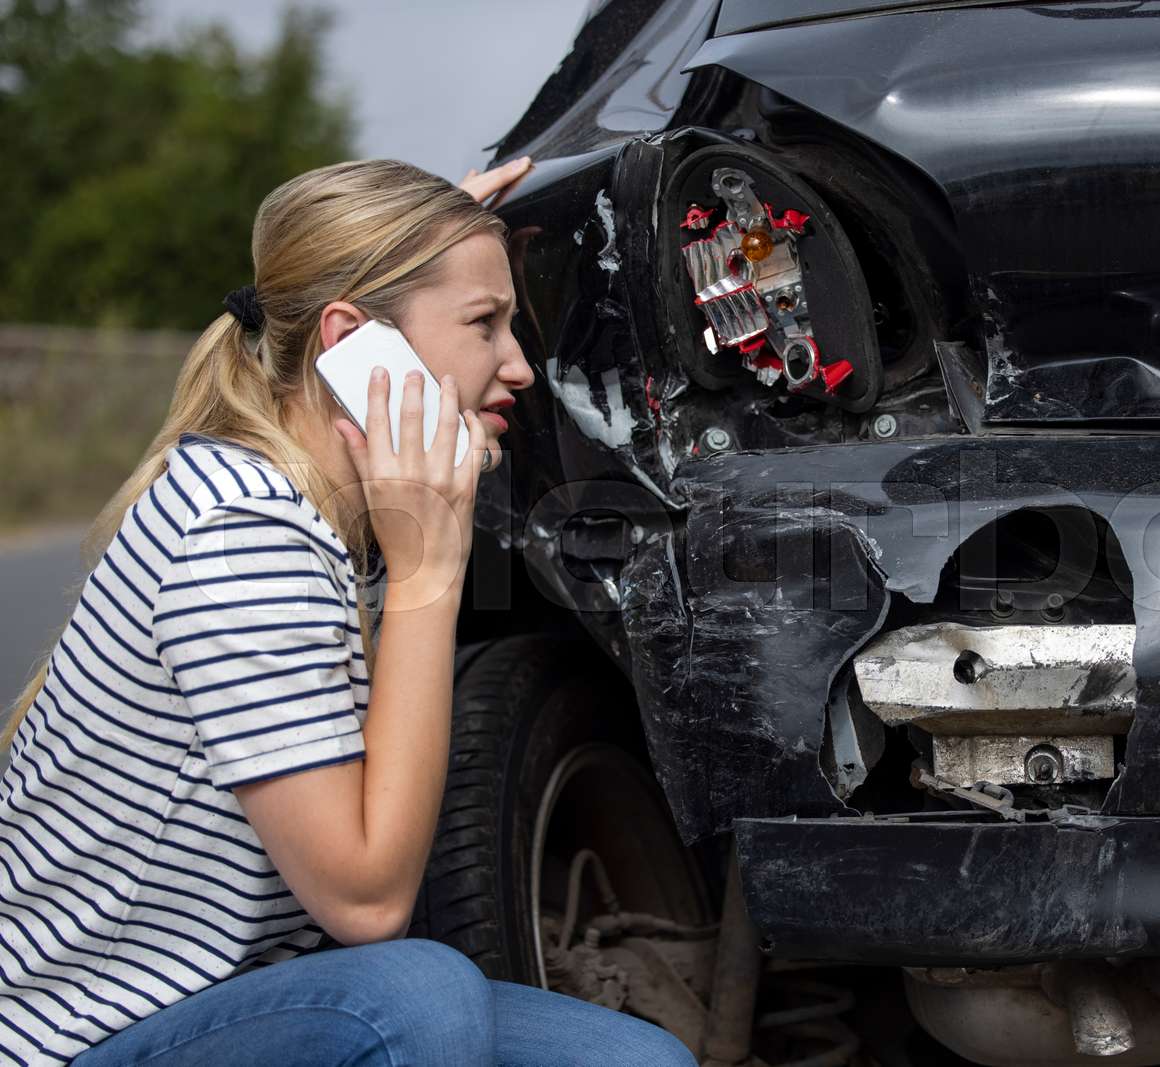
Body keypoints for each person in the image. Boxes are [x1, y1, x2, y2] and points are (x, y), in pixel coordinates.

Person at [0, 157, 699, 1067]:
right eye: (485, 324)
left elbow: (354, 301)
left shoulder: (305, 499)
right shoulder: (240, 537)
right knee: (412, 998)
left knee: (638, 1061)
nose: (519, 366)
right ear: (356, 345)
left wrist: (423, 240)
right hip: (76, 1042)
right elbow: (368, 903)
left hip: (228, 1003)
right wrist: (427, 573)